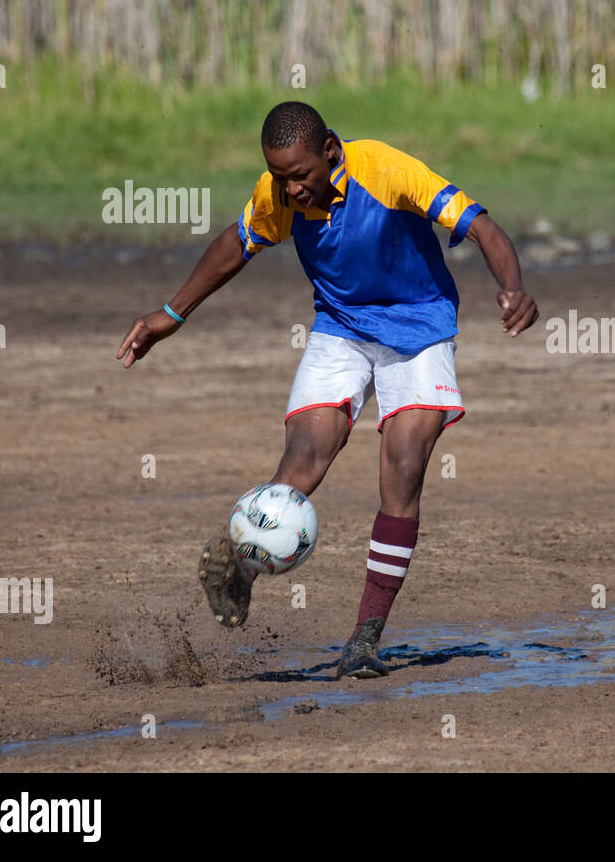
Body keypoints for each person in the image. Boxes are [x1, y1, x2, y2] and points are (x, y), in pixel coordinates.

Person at [116, 101, 538, 679]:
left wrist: (513, 288)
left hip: (419, 330)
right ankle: (241, 567)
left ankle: (364, 639)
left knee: (406, 464)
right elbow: (235, 245)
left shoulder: (387, 171)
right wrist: (171, 314)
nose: (291, 189)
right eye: (279, 177)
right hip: (340, 329)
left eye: (300, 175)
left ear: (331, 151)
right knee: (304, 457)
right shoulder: (278, 195)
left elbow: (483, 227)